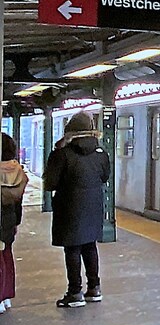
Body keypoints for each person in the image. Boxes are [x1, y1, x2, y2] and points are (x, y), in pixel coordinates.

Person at [43, 111, 111, 308]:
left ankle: (75, 293)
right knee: (90, 246)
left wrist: (56, 153)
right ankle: (94, 288)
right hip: (93, 205)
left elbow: (50, 183)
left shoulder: (62, 154)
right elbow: (104, 177)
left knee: (72, 248)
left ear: (70, 132)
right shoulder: (101, 153)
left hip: (69, 206)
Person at [0, 133, 29, 313]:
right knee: (7, 256)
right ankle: (6, 296)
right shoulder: (17, 171)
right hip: (9, 219)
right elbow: (18, 201)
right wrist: (16, 221)